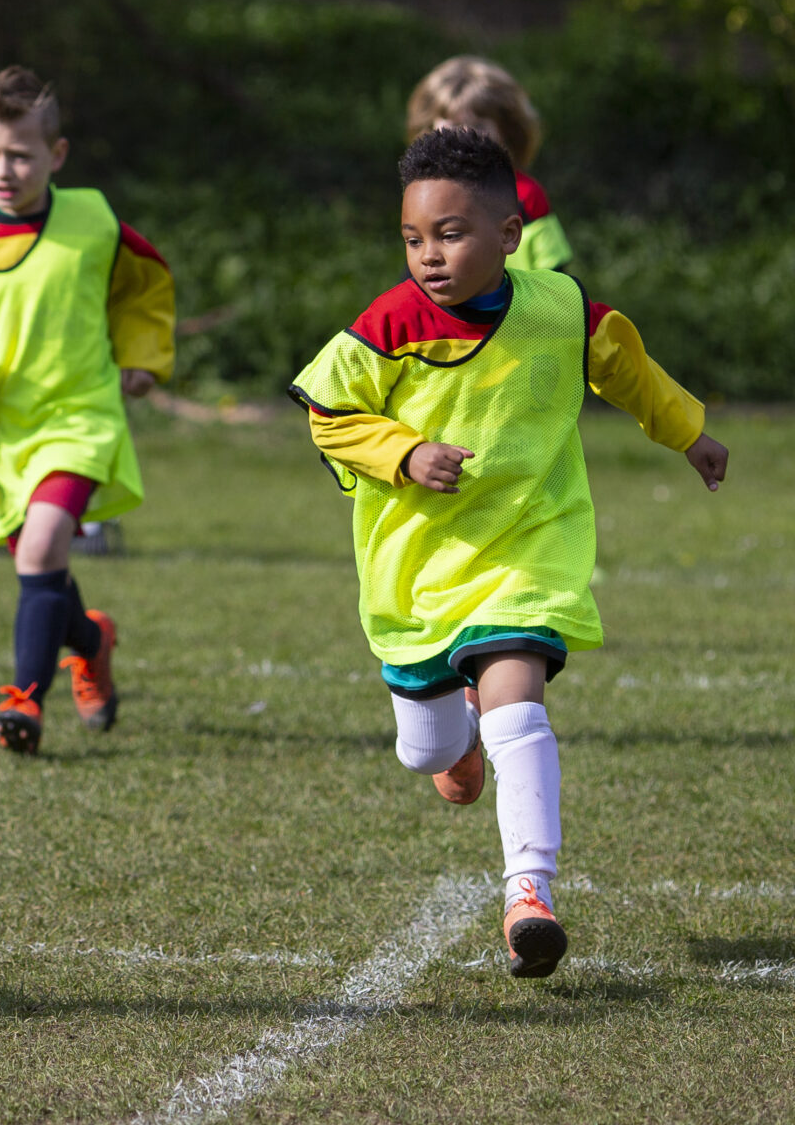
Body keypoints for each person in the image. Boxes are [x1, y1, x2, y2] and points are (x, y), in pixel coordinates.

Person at [289, 127, 728, 979]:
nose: (429, 255)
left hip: (528, 549)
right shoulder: (386, 324)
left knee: (515, 702)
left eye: (451, 234)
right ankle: (447, 746)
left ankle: (530, 891)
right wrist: (406, 454)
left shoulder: (561, 309)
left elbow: (629, 372)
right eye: (414, 237)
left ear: (509, 234)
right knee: (429, 751)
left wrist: (689, 432)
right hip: (416, 567)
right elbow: (326, 413)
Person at [0, 66, 174, 754]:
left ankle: (23, 700)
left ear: (57, 155)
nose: (4, 169)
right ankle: (91, 639)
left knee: (43, 547)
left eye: (20, 154)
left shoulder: (93, 222)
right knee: (39, 567)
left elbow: (144, 284)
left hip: (80, 417)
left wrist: (140, 354)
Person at [407, 55, 572, 272]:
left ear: (506, 131)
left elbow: (555, 276)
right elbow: (414, 273)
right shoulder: (426, 195)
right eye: (453, 126)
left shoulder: (525, 196)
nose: (466, 137)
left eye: (479, 125)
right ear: (428, 129)